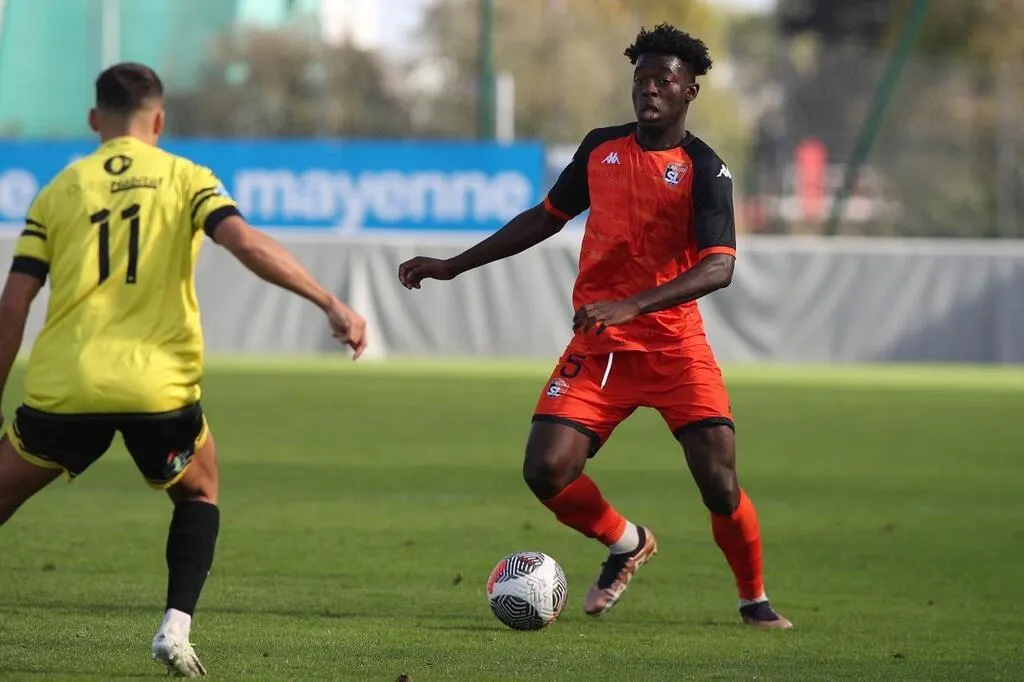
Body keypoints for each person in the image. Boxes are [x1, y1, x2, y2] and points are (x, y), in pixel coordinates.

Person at [399, 24, 791, 629]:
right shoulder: (601, 149)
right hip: (602, 345)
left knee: (719, 484)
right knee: (545, 470)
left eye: (665, 81)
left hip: (674, 349)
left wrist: (634, 304)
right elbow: (546, 217)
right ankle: (626, 542)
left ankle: (754, 598)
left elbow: (719, 269)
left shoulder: (705, 169)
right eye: (642, 81)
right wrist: (455, 264)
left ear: (691, 92)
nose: (650, 91)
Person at [0, 63, 368, 677]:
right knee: (199, 491)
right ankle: (176, 627)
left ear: (95, 120)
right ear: (160, 120)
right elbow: (247, 243)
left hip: (67, 387)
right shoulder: (186, 178)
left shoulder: (58, 190)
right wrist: (330, 302)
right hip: (156, 388)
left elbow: (14, 304)